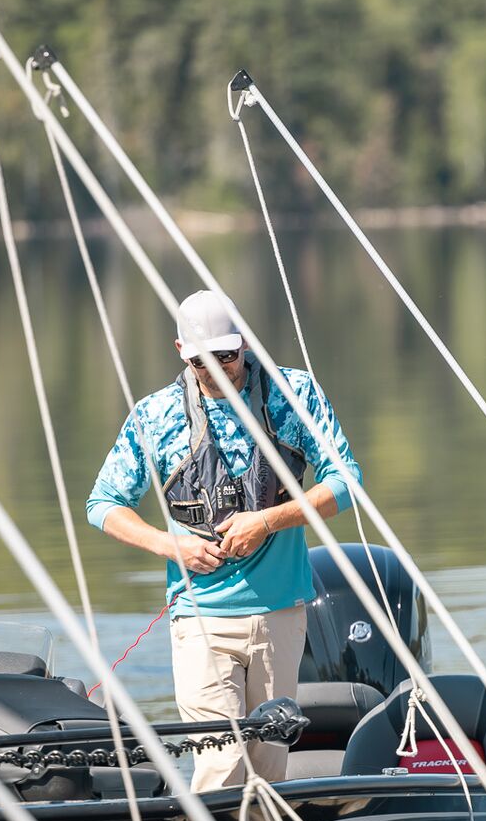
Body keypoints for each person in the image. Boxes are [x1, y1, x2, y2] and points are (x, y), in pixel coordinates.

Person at [87, 289, 360, 791]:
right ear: (180, 352)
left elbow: (346, 482)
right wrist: (172, 546)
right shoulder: (156, 416)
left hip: (281, 615)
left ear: (244, 345)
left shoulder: (292, 395)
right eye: (201, 360)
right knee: (221, 763)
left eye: (228, 356)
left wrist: (267, 521)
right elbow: (102, 505)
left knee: (271, 770)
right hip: (201, 618)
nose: (217, 369)